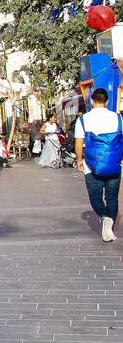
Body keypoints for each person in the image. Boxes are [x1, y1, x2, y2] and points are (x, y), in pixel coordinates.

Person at [74, 88, 123, 242]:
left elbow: (79, 142)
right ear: (107, 101)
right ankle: (109, 228)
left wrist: (79, 160)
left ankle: (105, 218)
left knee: (95, 197)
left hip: (91, 165)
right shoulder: (119, 118)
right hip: (114, 163)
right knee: (112, 198)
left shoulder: (83, 119)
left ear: (92, 101)